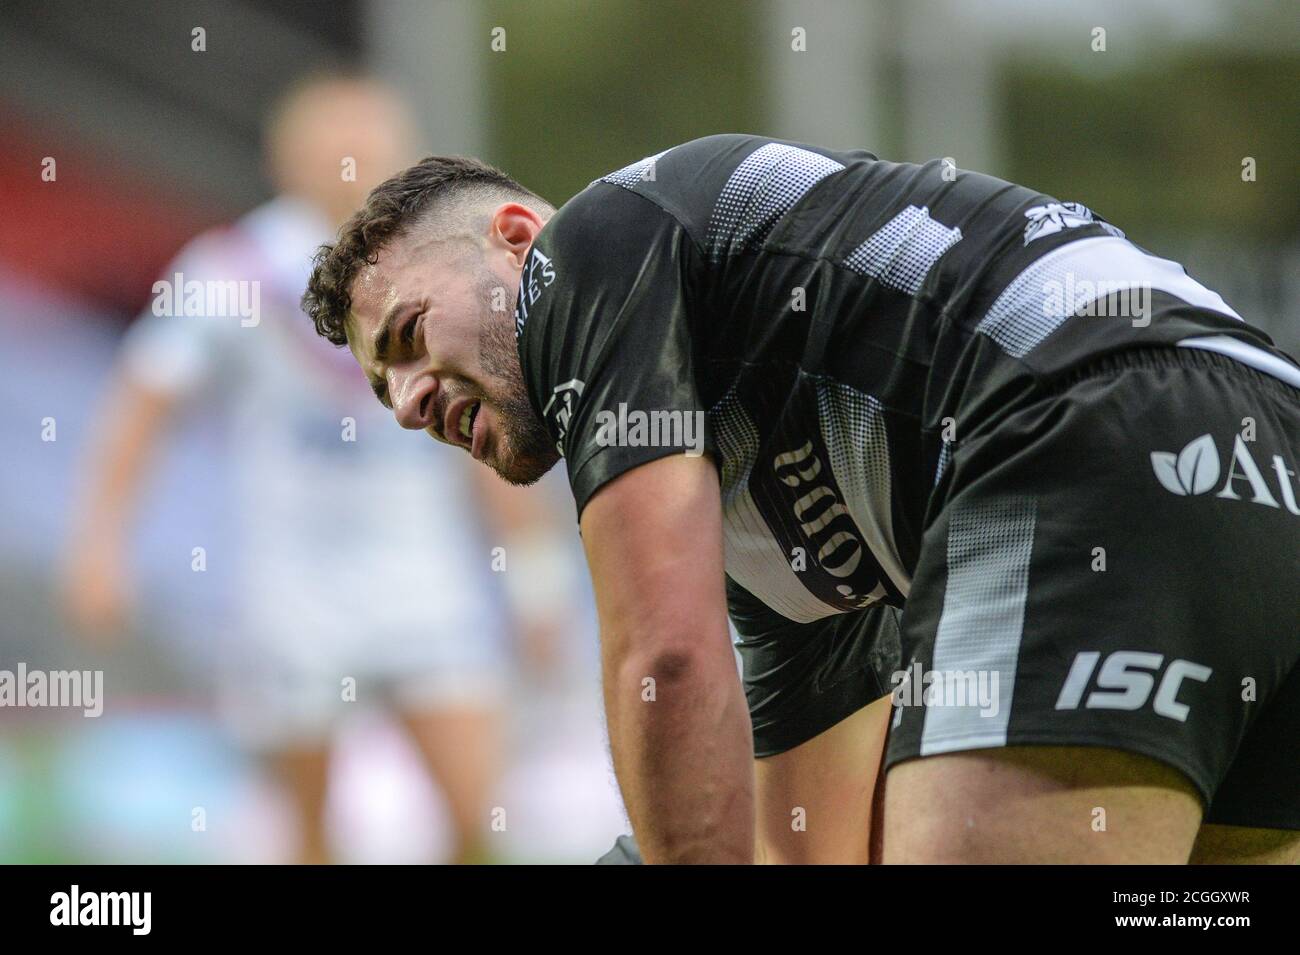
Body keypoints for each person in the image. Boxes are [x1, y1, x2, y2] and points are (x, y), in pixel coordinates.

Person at [300, 134, 1300, 864]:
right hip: (1268, 452)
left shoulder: (591, 243)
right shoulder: (766, 521)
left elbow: (667, 653)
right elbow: (800, 849)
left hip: (1082, 419)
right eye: (382, 389)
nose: (408, 401)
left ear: (517, 239)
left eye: (406, 338)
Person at [63, 75, 565, 864]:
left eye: (367, 143)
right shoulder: (233, 271)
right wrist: (101, 545)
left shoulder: (447, 264)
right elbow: (141, 405)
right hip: (291, 594)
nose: (351, 161)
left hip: (424, 579)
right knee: (308, 831)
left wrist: (535, 576)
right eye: (332, 145)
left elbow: (488, 431)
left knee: (477, 810)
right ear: (285, 158)